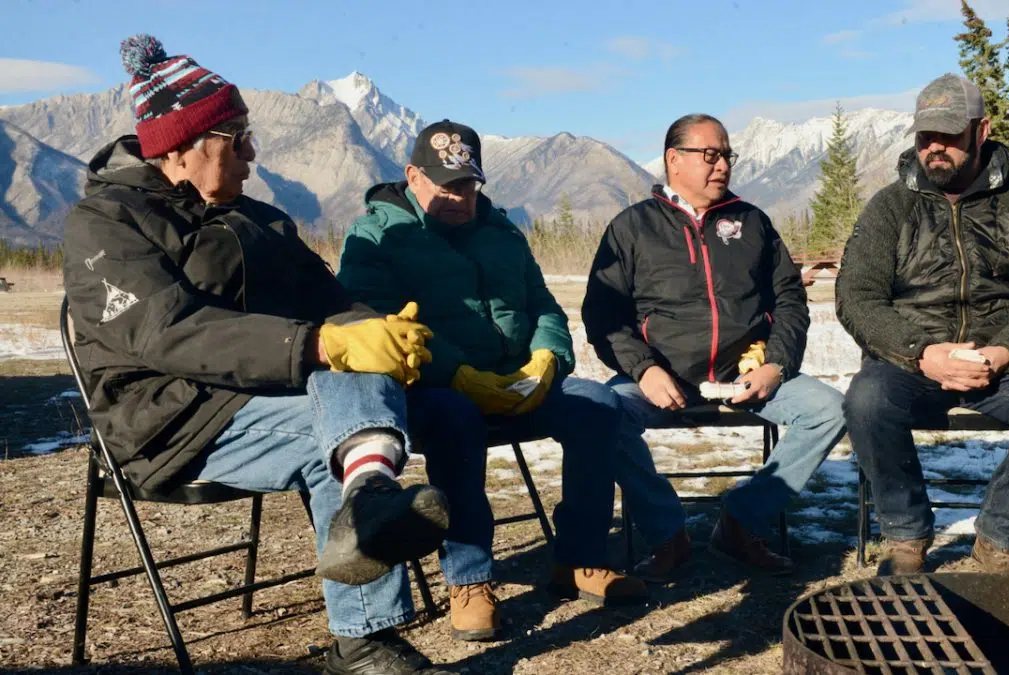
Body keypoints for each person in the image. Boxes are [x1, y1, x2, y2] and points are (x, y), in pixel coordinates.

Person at [64, 35, 459, 675]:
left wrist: (381, 334)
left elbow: (329, 301)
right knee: (334, 431)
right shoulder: (106, 221)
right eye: (237, 136)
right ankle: (364, 636)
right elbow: (170, 330)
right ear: (185, 147)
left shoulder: (259, 220)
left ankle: (372, 498)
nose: (252, 152)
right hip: (168, 418)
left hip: (264, 397)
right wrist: (322, 344)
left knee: (382, 390)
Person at [336, 119, 648, 640]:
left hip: (517, 380)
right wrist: (456, 372)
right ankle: (470, 579)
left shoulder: (501, 230)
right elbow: (377, 325)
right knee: (457, 421)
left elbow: (542, 304)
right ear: (413, 175)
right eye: (447, 185)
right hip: (432, 387)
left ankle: (578, 558)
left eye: (469, 184)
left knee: (596, 405)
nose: (461, 198)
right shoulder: (376, 236)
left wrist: (548, 357)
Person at [836, 73, 1009, 576]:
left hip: (1005, 360)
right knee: (866, 401)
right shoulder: (890, 206)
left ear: (982, 130)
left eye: (949, 136)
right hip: (912, 361)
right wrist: (920, 352)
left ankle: (1002, 537)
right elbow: (856, 296)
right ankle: (906, 539)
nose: (935, 148)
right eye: (925, 136)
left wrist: (1006, 350)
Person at [581, 113, 847, 578]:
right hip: (661, 380)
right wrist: (644, 369)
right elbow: (602, 315)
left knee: (831, 409)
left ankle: (741, 521)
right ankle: (668, 534)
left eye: (726, 154)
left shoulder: (752, 222)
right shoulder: (632, 227)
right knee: (604, 415)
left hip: (745, 374)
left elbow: (789, 299)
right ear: (673, 160)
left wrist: (776, 364)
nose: (722, 164)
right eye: (710, 154)